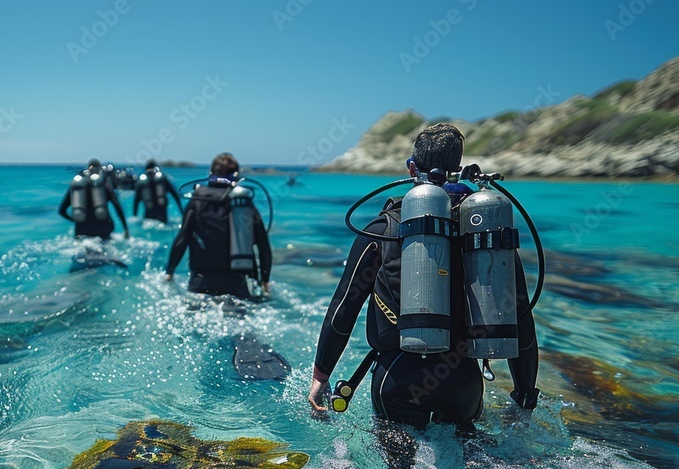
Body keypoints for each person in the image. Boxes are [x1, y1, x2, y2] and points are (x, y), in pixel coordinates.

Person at [307, 123, 539, 433]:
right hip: (464, 383)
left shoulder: (384, 229)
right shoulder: (486, 233)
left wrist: (320, 378)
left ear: (412, 168)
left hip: (398, 379)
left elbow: (343, 309)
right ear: (458, 168)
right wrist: (524, 396)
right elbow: (520, 316)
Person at [165, 152, 272, 300]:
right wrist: (265, 280)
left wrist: (169, 272)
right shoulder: (243, 204)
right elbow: (263, 245)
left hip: (201, 282)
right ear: (236, 175)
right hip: (236, 283)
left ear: (210, 173)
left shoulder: (197, 201)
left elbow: (182, 238)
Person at [58, 158, 130, 240]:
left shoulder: (77, 187)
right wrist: (126, 228)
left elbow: (61, 211)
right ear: (100, 169)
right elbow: (117, 207)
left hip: (82, 230)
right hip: (103, 229)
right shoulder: (105, 186)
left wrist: (76, 220)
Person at [133, 159, 184, 224]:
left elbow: (136, 201)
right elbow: (175, 195)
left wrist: (134, 216)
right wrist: (182, 213)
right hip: (162, 214)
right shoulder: (163, 180)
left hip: (148, 214)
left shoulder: (141, 183)